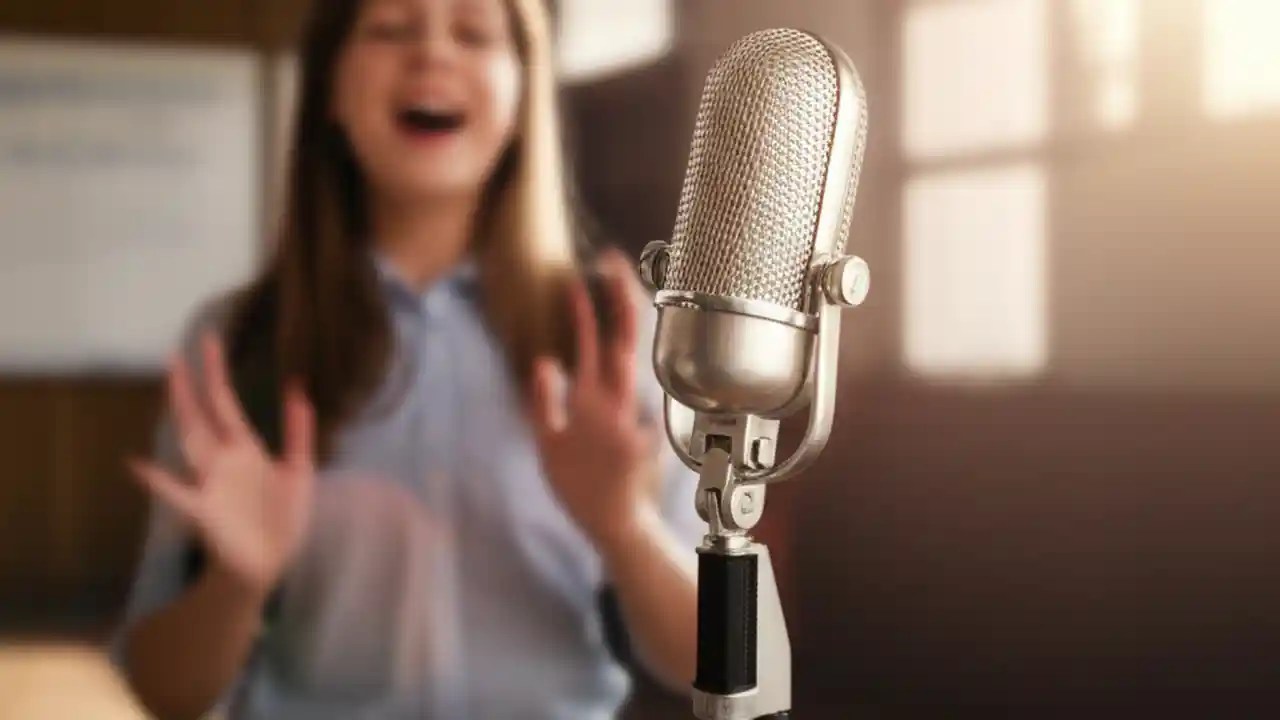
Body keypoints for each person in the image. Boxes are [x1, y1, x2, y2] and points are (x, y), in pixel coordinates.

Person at [112, 0, 701, 717]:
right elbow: (155, 692)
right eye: (390, 29)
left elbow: (707, 661)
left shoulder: (616, 331)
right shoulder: (236, 340)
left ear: (524, 98)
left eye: (475, 33)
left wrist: (625, 528)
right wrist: (237, 581)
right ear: (329, 86)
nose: (432, 55)